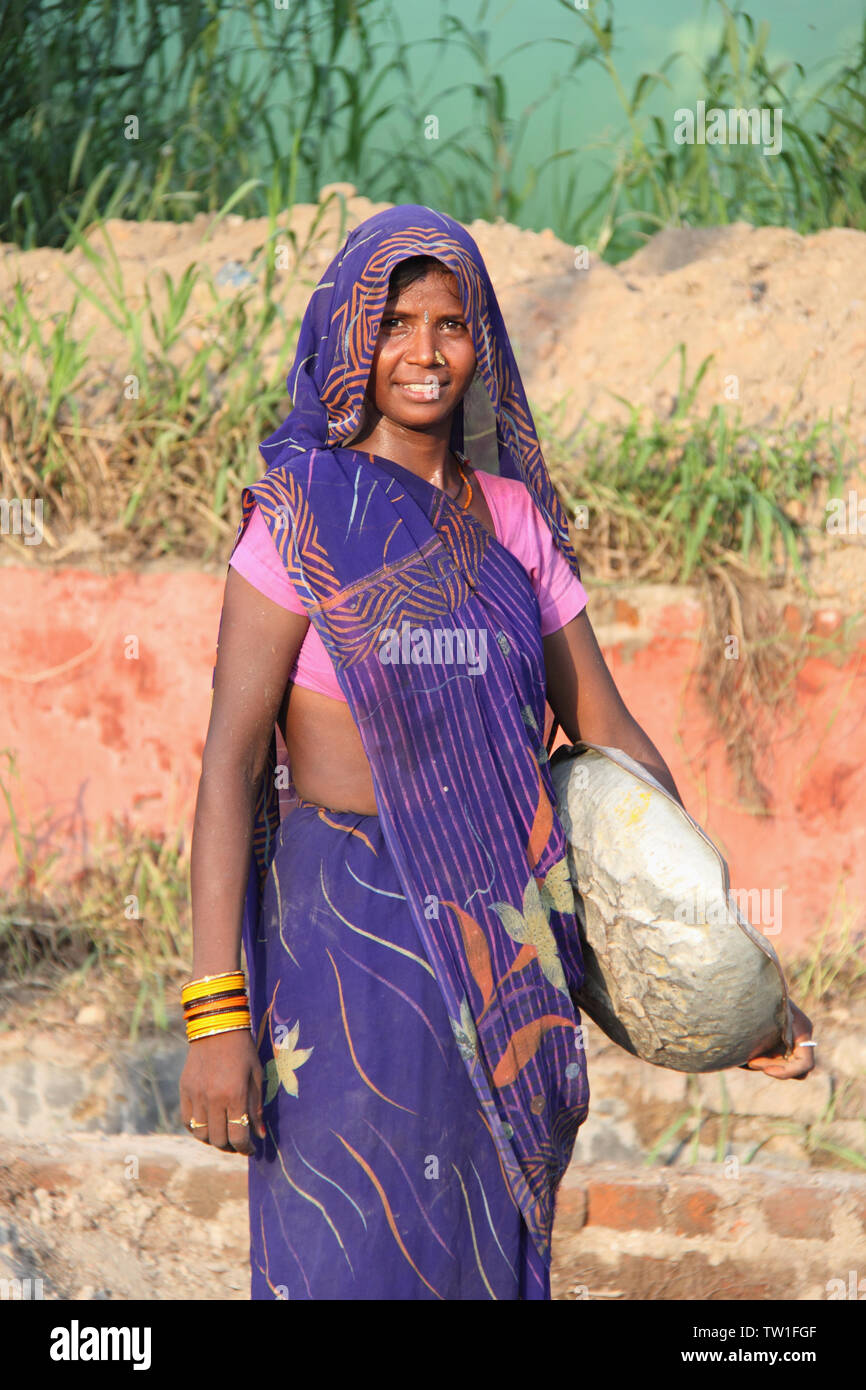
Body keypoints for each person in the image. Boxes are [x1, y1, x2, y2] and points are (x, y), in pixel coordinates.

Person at [179, 204, 815, 1301]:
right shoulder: (297, 516)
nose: (424, 353)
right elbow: (230, 767)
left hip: (502, 949)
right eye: (395, 323)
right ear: (348, 338)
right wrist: (213, 1013)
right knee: (346, 1246)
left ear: (483, 343)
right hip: (344, 949)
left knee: (483, 1251)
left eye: (451, 323)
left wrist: (721, 965)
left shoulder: (512, 521)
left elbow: (606, 733)